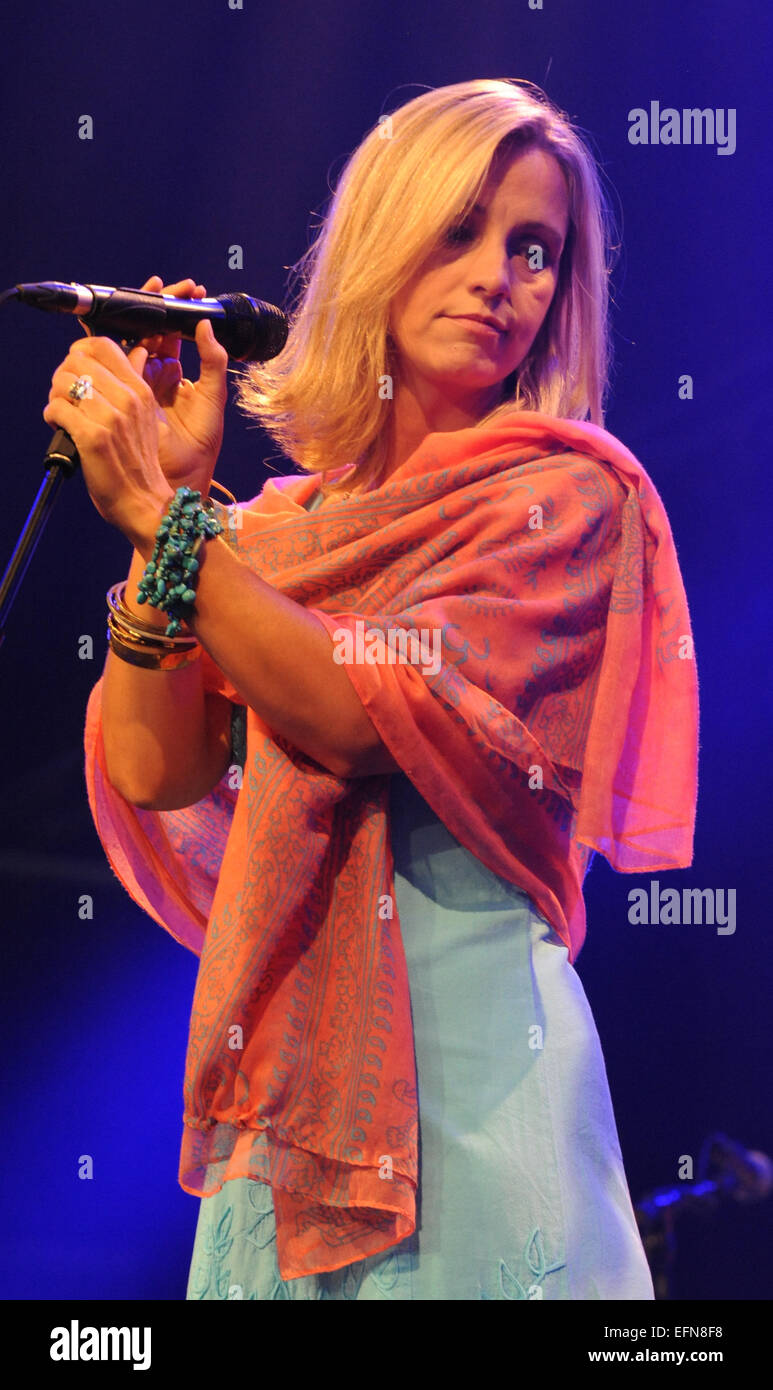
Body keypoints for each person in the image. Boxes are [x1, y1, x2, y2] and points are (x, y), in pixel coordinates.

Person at [45, 78, 698, 1300]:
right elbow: (156, 767)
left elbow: (354, 709)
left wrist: (166, 515)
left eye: (534, 249)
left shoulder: (564, 499)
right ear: (379, 242)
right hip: (287, 1107)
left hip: (478, 1102)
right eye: (458, 230)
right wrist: (162, 538)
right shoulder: (272, 532)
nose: (499, 275)